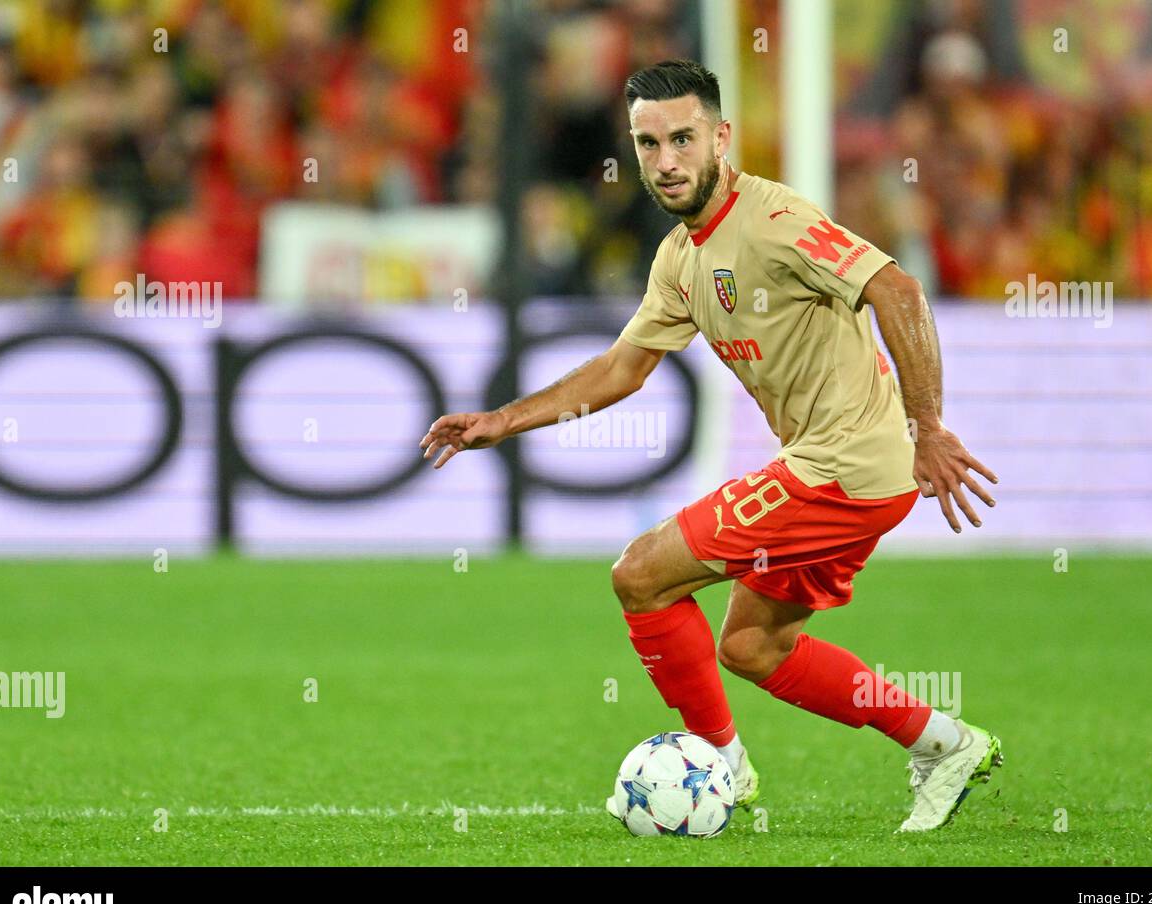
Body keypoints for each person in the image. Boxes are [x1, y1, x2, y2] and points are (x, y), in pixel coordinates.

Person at [420, 60, 1002, 831]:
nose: (666, 161)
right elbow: (623, 368)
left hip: (845, 465)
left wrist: (929, 425)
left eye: (683, 139)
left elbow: (897, 289)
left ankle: (722, 769)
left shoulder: (775, 220)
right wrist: (504, 420)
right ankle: (945, 743)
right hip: (842, 472)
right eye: (648, 142)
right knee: (755, 647)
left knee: (642, 575)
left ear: (721, 137)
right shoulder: (680, 257)